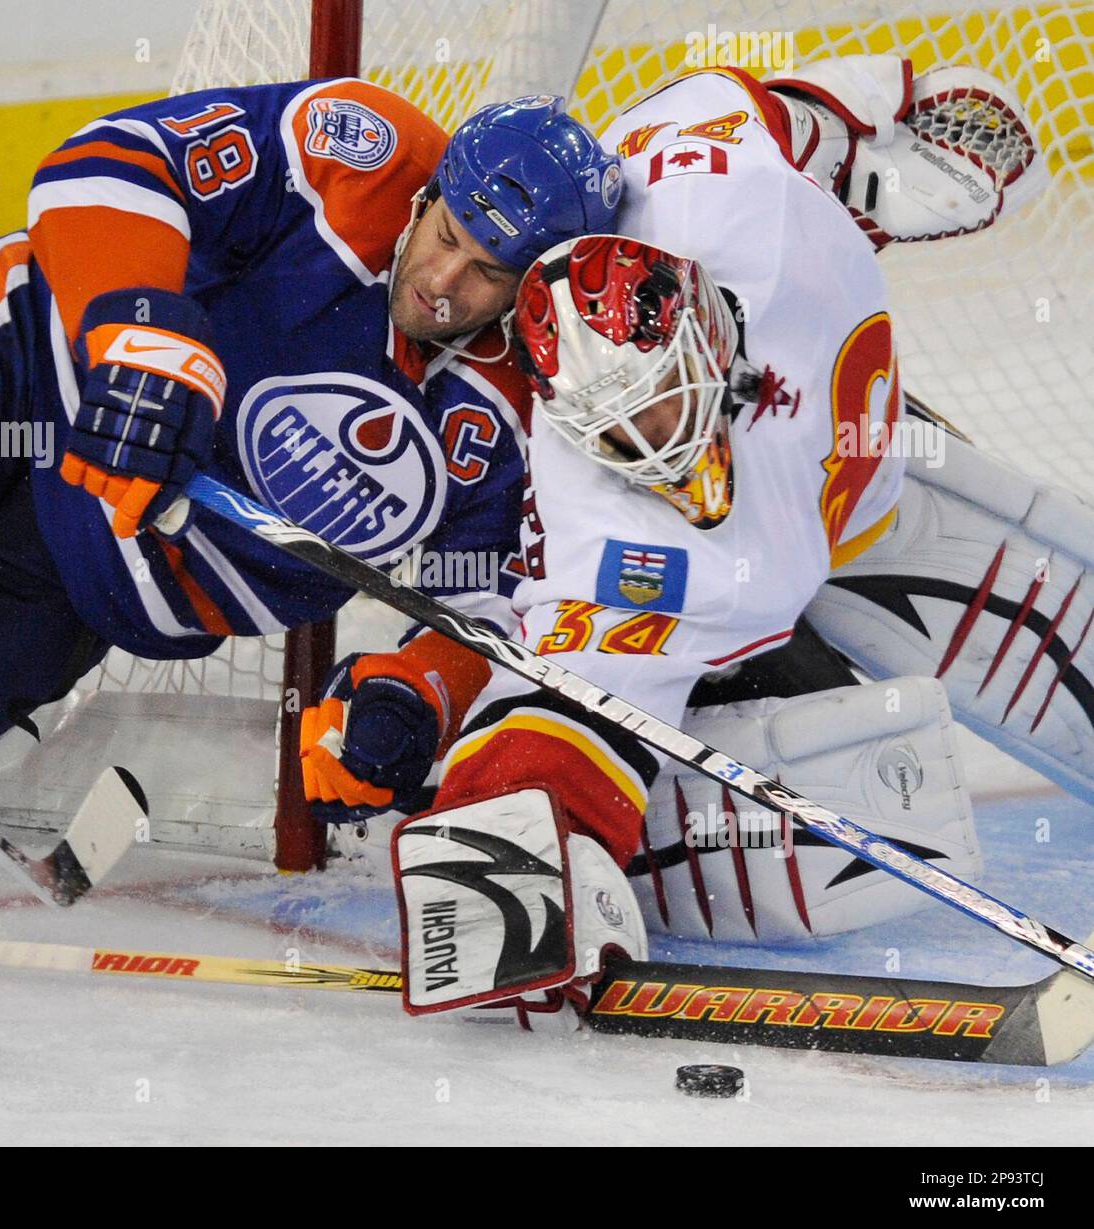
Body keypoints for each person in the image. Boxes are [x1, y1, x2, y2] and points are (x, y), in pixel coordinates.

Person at [306, 56, 1071, 1021]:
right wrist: (502, 842)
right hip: (752, 574)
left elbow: (755, 104)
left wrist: (875, 137)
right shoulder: (611, 511)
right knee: (755, 714)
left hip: (865, 472)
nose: (655, 452)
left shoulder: (714, 187)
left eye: (665, 412)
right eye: (618, 432)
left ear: (708, 332)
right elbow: (574, 678)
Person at [0, 78, 622, 863]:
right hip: (22, 375)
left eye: (488, 274)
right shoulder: (355, 156)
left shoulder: (525, 405)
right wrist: (146, 341)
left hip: (68, 581)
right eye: (447, 236)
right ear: (432, 190)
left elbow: (480, 599)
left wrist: (414, 697)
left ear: (535, 287)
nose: (444, 284)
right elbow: (105, 161)